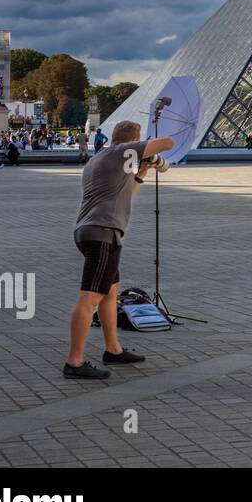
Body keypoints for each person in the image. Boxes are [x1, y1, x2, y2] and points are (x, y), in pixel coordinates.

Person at [64, 119, 175, 379]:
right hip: (102, 233)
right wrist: (155, 158)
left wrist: (141, 174)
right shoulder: (119, 153)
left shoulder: (101, 158)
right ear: (132, 141)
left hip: (93, 231)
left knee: (110, 293)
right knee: (89, 297)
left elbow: (125, 194)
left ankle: (113, 350)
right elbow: (169, 142)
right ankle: (75, 362)